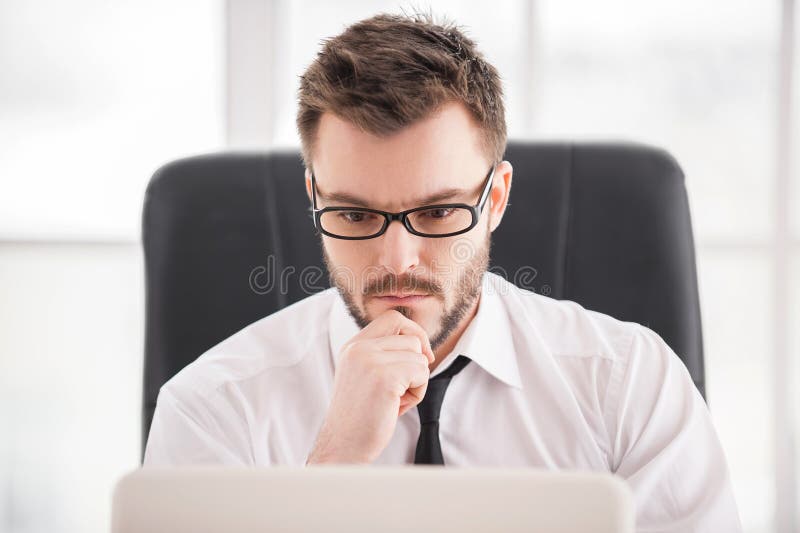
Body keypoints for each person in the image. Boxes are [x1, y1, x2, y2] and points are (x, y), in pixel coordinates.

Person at [144, 12, 742, 532]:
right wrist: (333, 466)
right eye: (353, 213)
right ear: (314, 197)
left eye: (437, 212)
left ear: (497, 199)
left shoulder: (631, 385)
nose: (397, 260)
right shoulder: (211, 409)